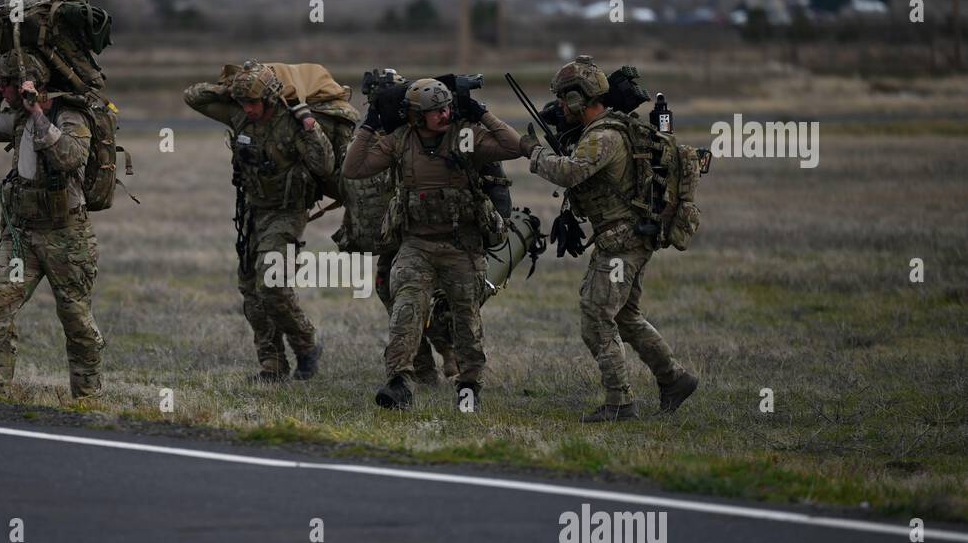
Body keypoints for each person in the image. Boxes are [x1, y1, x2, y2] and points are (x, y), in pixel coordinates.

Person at [525, 55, 699, 421]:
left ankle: (620, 402)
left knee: (596, 316)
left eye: (563, 99)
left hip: (621, 243)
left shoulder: (603, 137)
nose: (559, 106)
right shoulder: (611, 129)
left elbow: (569, 173)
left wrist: (533, 153)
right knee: (627, 316)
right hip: (633, 237)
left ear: (579, 99)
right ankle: (674, 378)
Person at [343, 78, 523, 411]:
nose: (444, 115)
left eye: (446, 108)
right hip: (417, 245)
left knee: (466, 321)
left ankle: (468, 387)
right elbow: (353, 169)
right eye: (435, 111)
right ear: (415, 116)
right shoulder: (401, 141)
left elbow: (515, 146)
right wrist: (369, 125)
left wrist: (482, 114)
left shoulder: (464, 136)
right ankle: (399, 382)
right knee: (405, 312)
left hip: (462, 246)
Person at [184, 60, 334, 381]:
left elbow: (325, 166)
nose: (248, 109)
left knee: (272, 285)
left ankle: (306, 345)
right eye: (244, 103)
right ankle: (272, 364)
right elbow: (193, 96)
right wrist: (232, 87)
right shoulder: (239, 115)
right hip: (253, 210)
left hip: (286, 212)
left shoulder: (291, 123)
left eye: (253, 102)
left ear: (268, 99)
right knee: (251, 290)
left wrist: (309, 124)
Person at [0, 50, 106, 400]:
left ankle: (87, 399)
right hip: (22, 236)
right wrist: (0, 94)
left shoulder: (70, 114)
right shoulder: (15, 115)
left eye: (7, 83)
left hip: (66, 236)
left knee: (76, 319)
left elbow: (72, 157)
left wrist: (37, 115)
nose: (2, 89)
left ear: (31, 85)